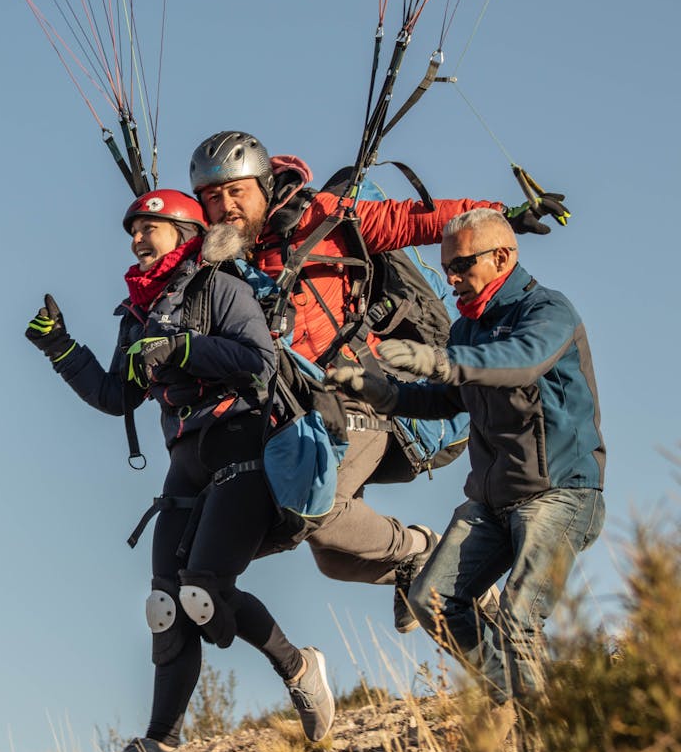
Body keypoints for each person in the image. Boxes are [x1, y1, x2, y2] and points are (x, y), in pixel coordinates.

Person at [187, 131, 563, 632]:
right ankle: (437, 593)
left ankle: (422, 551)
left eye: (237, 192)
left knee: (322, 515)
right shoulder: (222, 263)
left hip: (367, 398)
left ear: (264, 183)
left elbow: (413, 220)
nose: (226, 206)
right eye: (214, 198)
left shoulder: (324, 218)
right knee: (335, 558)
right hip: (306, 419)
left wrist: (503, 216)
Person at [25, 189, 335, 752]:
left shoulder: (220, 286)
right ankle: (159, 745)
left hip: (242, 443)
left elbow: (257, 360)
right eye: (133, 231)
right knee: (165, 604)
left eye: (150, 228)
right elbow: (117, 395)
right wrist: (60, 348)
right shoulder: (138, 313)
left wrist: (184, 347)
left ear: (184, 231)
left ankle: (298, 666)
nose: (138, 240)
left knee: (203, 590)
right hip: (184, 460)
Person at [327, 207, 605, 729]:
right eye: (447, 267)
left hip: (561, 495)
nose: (451, 278)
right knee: (430, 601)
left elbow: (518, 361)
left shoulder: (547, 311)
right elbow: (446, 398)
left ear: (502, 257)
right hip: (493, 502)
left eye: (461, 265)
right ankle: (543, 702)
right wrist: (379, 392)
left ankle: (542, 739)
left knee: (519, 621)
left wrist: (437, 360)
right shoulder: (465, 328)